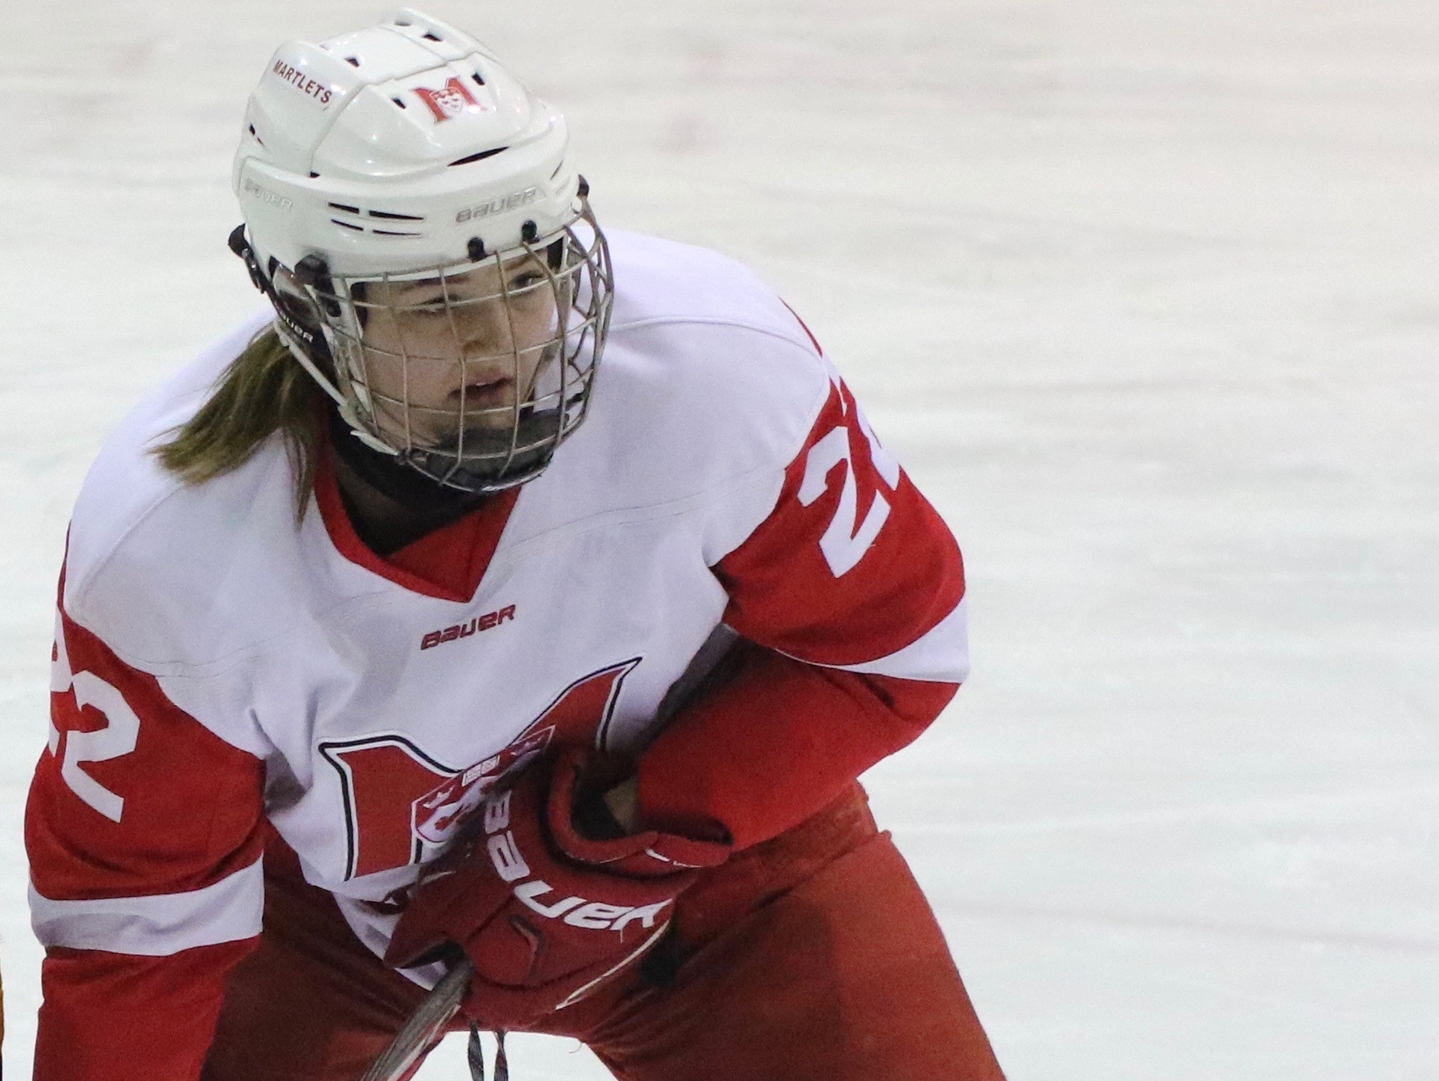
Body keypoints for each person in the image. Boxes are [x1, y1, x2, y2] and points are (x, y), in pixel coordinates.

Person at [25, 10, 1001, 1080]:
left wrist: (632, 824)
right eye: (437, 298)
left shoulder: (720, 374)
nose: (499, 345)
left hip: (720, 883)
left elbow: (895, 647)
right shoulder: (173, 552)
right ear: (303, 300)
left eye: (528, 277)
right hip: (330, 934)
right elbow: (139, 944)